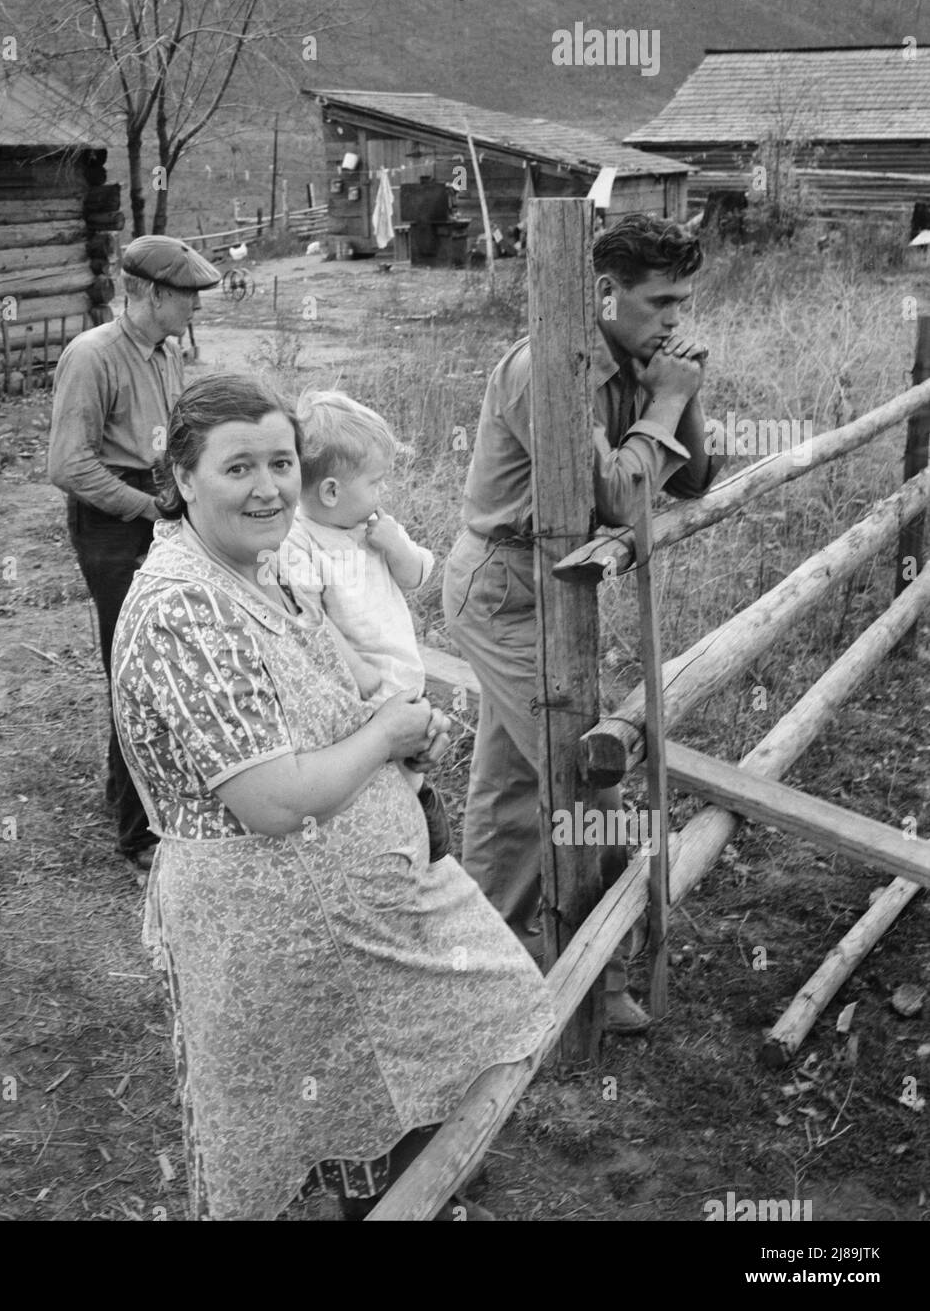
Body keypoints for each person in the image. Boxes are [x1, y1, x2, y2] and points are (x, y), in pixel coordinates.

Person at [111, 374, 556, 1221]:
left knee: (387, 1070)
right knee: (340, 1085)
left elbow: (324, 679)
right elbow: (274, 803)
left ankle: (417, 1194)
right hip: (267, 920)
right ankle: (410, 1197)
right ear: (180, 478)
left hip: (340, 900)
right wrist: (387, 738)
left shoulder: (255, 564)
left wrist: (388, 717)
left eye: (280, 462)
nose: (270, 486)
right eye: (238, 467)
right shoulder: (182, 611)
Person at [441, 213, 724, 1033]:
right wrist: (667, 398)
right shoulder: (548, 366)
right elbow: (613, 496)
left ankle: (487, 970)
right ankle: (594, 984)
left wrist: (679, 391)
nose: (675, 319)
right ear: (604, 293)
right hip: (503, 589)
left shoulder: (636, 360)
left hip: (550, 591)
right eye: (659, 301)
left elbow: (692, 482)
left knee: (510, 790)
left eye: (683, 303)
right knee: (584, 781)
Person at [47, 235, 221, 871]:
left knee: (175, 659)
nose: (196, 309)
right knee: (133, 670)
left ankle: (166, 798)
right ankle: (137, 833)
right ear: (151, 294)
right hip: (115, 523)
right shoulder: (91, 357)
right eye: (188, 297)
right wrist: (150, 509)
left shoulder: (166, 350)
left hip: (158, 509)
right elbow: (67, 464)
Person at [279, 388, 451, 858]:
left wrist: (396, 545)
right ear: (332, 491)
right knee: (379, 796)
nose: (382, 494)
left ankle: (420, 847)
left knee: (412, 776)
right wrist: (367, 683)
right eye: (375, 483)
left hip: (403, 687)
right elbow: (311, 622)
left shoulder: (374, 527)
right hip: (360, 701)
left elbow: (416, 576)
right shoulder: (299, 542)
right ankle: (404, 854)